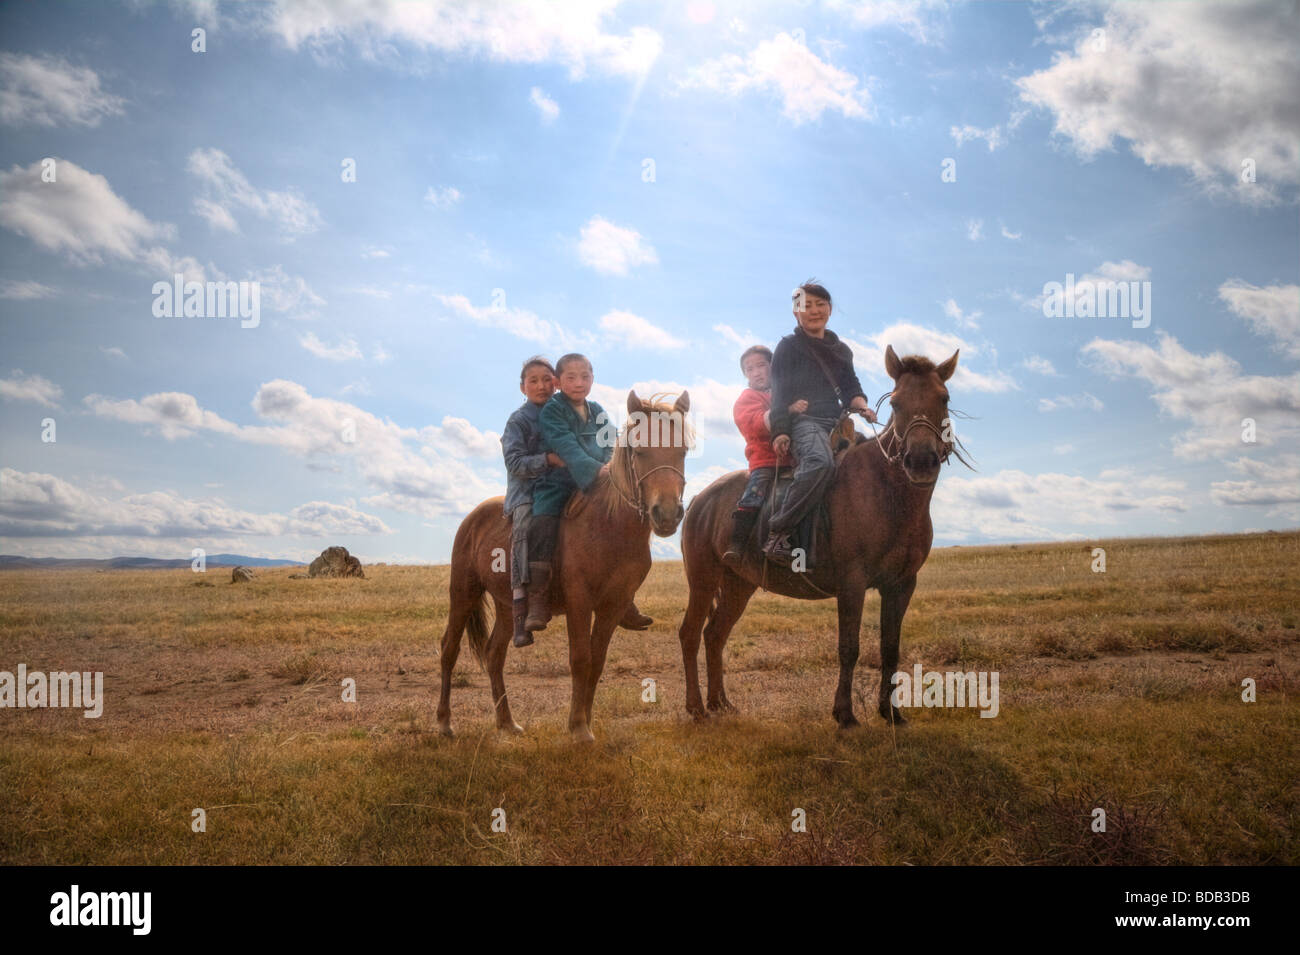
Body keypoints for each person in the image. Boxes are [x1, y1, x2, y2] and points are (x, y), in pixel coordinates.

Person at [526, 353, 653, 634]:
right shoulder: (553, 410)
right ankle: (537, 597)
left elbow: (613, 443)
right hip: (559, 481)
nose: (579, 383)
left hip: (600, 479)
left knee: (625, 519)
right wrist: (597, 470)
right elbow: (566, 445)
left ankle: (623, 596)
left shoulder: (597, 411)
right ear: (558, 382)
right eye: (571, 377)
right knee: (543, 523)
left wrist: (611, 468)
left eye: (585, 377)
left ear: (593, 379)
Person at [762, 280, 876, 566]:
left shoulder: (841, 350)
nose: (813, 311)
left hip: (838, 424)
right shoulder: (787, 347)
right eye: (806, 306)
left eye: (819, 304)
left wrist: (862, 406)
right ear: (796, 314)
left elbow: (851, 387)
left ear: (829, 308)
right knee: (819, 463)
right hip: (805, 424)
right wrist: (780, 432)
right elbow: (779, 396)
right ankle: (779, 530)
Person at [501, 356, 564, 648]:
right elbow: (513, 462)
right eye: (533, 381)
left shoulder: (566, 413)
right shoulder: (519, 420)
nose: (541, 385)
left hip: (560, 485)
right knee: (525, 528)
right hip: (526, 490)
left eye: (546, 379)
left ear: (556, 382)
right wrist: (548, 460)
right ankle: (521, 611)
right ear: (523, 387)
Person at [724, 345, 801, 564]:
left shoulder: (784, 393)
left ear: (772, 367)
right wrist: (786, 411)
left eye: (761, 365)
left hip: (794, 458)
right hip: (765, 460)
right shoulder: (746, 399)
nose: (756, 372)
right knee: (754, 495)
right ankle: (737, 543)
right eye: (750, 369)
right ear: (746, 375)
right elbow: (755, 423)